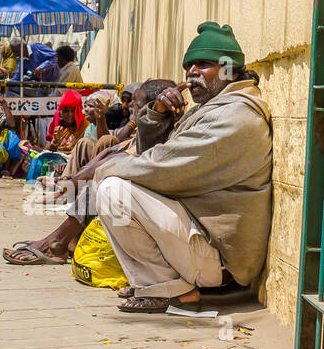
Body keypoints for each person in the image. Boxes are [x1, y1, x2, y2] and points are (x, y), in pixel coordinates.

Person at [94, 22, 272, 314]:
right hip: (198, 245)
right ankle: (159, 283)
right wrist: (159, 114)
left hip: (218, 260)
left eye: (203, 65)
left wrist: (105, 168)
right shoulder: (212, 108)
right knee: (115, 184)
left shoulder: (234, 117)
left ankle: (171, 289)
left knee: (114, 191)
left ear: (229, 70)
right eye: (189, 66)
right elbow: (157, 157)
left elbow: (161, 170)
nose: (192, 73)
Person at [2, 79, 177, 265]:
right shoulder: (142, 129)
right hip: (118, 187)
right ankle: (63, 235)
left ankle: (57, 239)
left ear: (155, 108)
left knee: (103, 178)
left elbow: (113, 149)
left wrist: (77, 179)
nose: (131, 105)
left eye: (137, 103)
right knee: (99, 156)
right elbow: (112, 149)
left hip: (149, 204)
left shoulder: (161, 133)